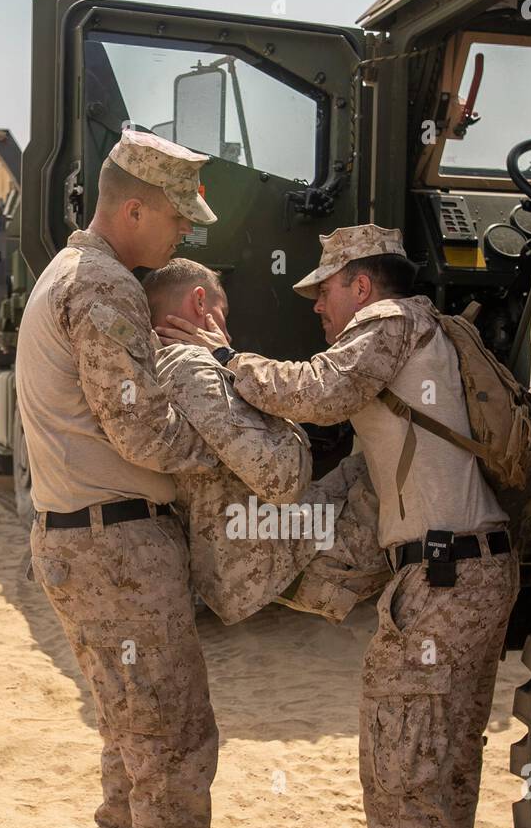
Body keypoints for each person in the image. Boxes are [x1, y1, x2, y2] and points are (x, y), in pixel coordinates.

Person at [156, 225, 520, 828]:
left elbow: (314, 392)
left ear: (361, 282)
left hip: (445, 581)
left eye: (323, 288)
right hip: (470, 572)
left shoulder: (388, 321)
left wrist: (222, 361)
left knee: (404, 775)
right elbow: (352, 488)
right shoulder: (422, 336)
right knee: (444, 765)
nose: (317, 304)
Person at [15, 130, 267, 828]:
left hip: (89, 538)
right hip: (115, 545)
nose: (183, 240)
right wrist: (237, 441)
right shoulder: (103, 286)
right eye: (176, 221)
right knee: (175, 736)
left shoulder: (72, 275)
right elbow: (144, 432)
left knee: (133, 735)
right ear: (132, 209)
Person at [143, 258, 389, 628]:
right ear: (199, 303)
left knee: (371, 464)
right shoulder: (191, 368)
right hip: (284, 558)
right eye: (221, 312)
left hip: (274, 546)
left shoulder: (164, 366)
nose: (227, 326)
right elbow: (284, 478)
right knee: (408, 479)